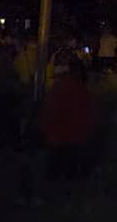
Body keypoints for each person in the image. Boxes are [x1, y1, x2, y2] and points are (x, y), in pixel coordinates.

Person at [40, 62, 96, 191]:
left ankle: (54, 194)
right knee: (70, 171)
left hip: (57, 137)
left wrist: (44, 129)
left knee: (55, 171)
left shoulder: (57, 89)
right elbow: (89, 113)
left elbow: (49, 113)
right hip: (75, 137)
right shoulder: (80, 89)